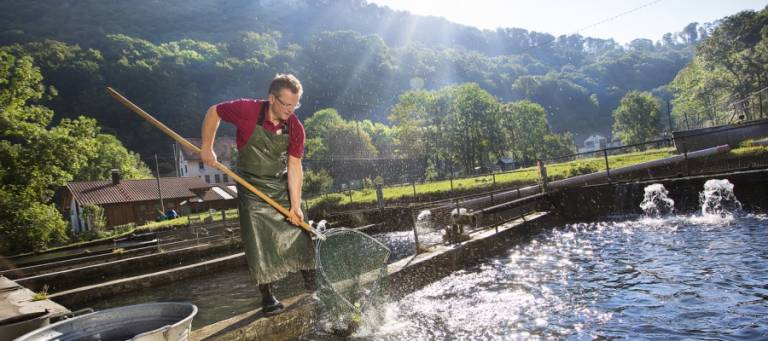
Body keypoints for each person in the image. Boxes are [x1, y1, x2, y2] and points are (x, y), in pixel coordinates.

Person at [200, 74, 315, 316]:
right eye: (285, 104)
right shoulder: (246, 110)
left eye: (295, 105)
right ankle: (268, 296)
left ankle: (313, 285)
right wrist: (207, 147)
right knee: (257, 239)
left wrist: (296, 206)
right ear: (271, 98)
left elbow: (295, 166)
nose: (290, 110)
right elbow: (213, 112)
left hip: (279, 184)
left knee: (301, 230)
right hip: (250, 185)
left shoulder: (295, 127)